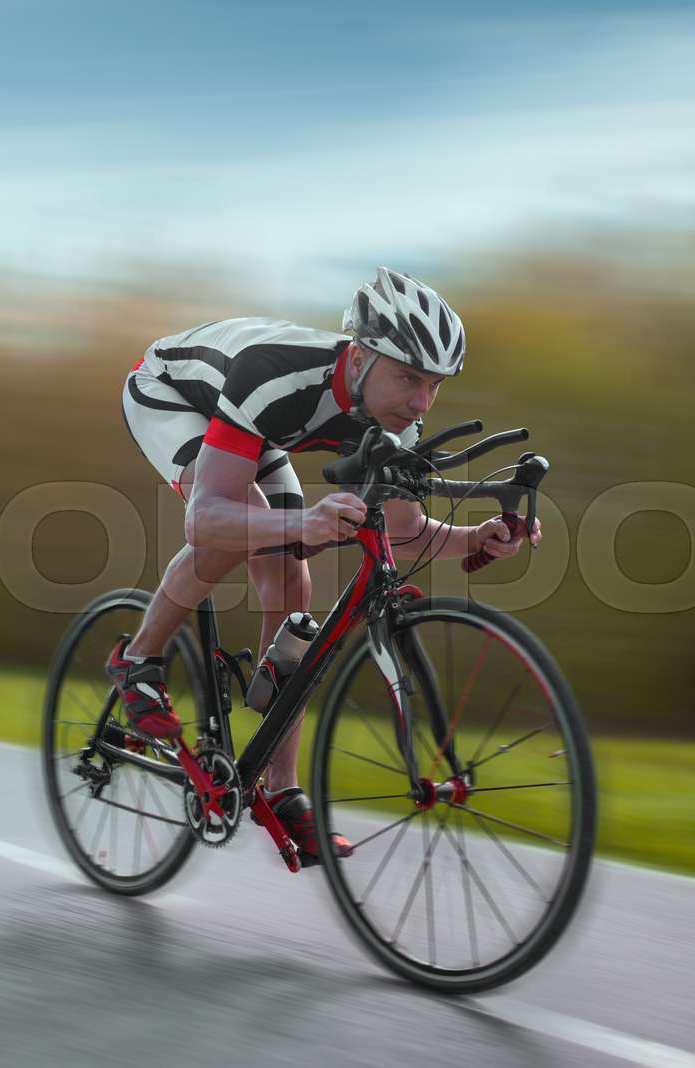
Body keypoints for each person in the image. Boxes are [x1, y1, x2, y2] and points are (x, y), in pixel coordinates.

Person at [110, 268, 542, 865]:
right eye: (409, 377)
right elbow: (206, 518)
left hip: (252, 423)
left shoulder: (395, 416)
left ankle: (281, 790)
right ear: (361, 357)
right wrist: (303, 523)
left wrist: (478, 534)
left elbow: (405, 529)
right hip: (173, 392)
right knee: (240, 524)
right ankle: (137, 661)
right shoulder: (279, 374)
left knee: (292, 574)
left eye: (435, 385)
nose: (421, 401)